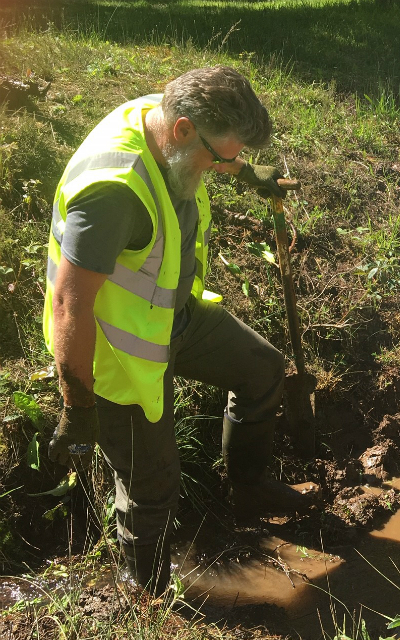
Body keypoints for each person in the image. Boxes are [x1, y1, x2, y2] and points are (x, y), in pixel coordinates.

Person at [43, 67, 311, 596]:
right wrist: (77, 410)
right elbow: (69, 305)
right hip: (120, 353)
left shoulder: (171, 123)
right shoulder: (113, 194)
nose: (223, 167)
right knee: (152, 483)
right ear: (183, 130)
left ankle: (249, 490)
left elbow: (219, 150)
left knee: (262, 369)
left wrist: (250, 176)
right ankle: (145, 591)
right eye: (221, 157)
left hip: (172, 316)